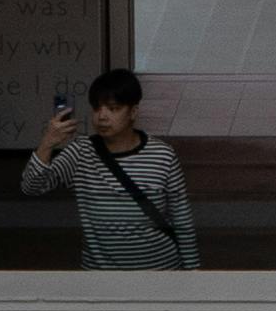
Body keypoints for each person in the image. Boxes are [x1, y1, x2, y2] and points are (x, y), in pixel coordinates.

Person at [21, 64, 200, 268]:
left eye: (113, 108)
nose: (102, 116)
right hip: (101, 276)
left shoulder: (162, 155)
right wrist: (48, 143)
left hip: (160, 271)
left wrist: (192, 274)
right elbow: (31, 187)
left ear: (133, 112)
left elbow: (182, 218)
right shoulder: (81, 152)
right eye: (97, 108)